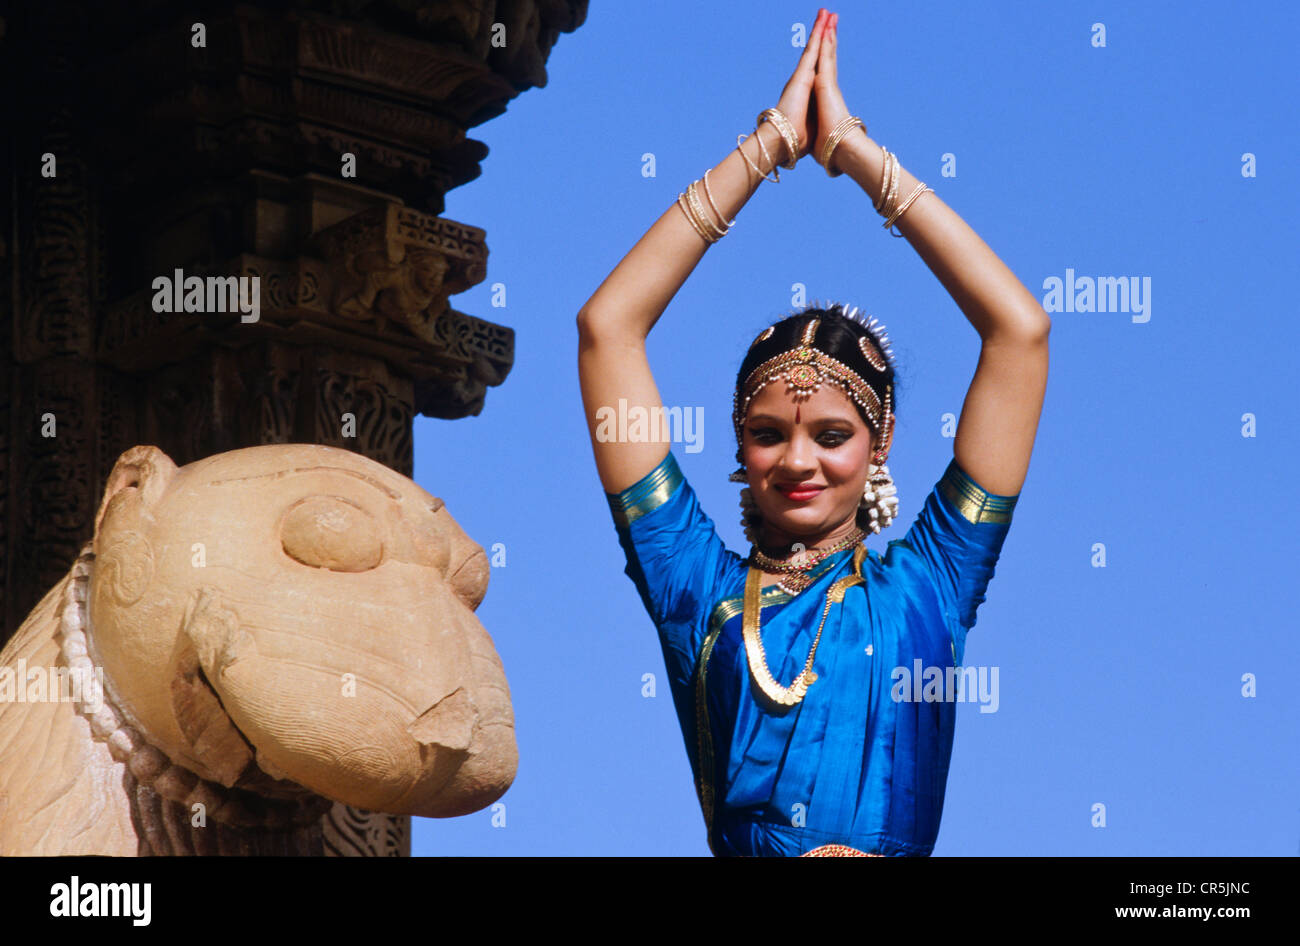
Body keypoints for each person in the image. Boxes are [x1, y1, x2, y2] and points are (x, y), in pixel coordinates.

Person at [576, 8, 1049, 856]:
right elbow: (609, 326)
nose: (798, 460)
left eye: (832, 435)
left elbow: (1019, 332)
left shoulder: (930, 586)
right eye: (767, 435)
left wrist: (855, 156)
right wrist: (767, 147)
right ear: (738, 445)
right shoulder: (695, 589)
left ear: (883, 442)